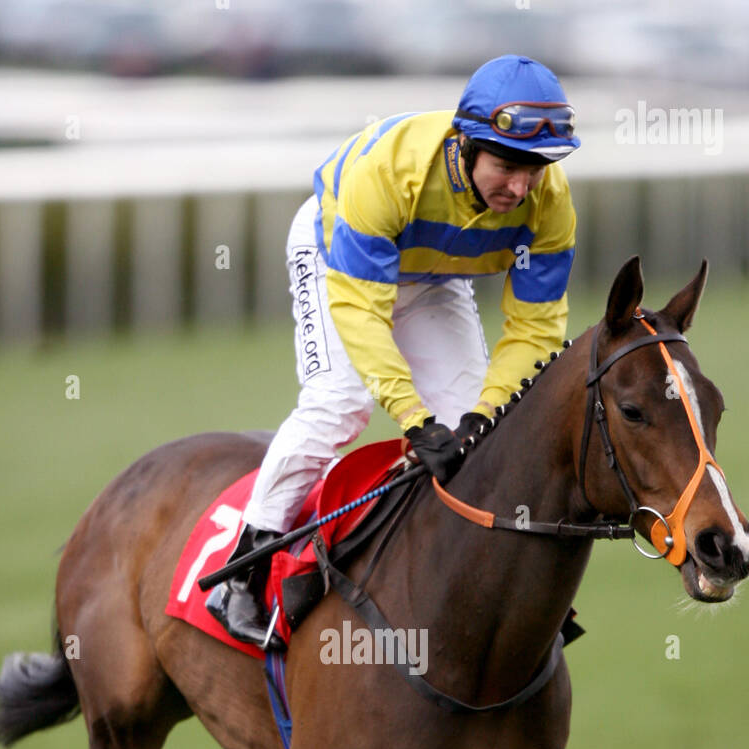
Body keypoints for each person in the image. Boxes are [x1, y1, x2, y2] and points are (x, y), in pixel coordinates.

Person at [207, 54, 580, 648]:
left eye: (535, 169)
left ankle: (476, 580)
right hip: (337, 251)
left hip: (432, 274)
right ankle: (244, 568)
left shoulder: (548, 202)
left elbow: (536, 331)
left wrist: (486, 411)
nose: (521, 186)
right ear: (465, 145)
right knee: (340, 402)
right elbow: (361, 313)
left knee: (474, 432)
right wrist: (413, 420)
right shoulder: (389, 171)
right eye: (508, 165)